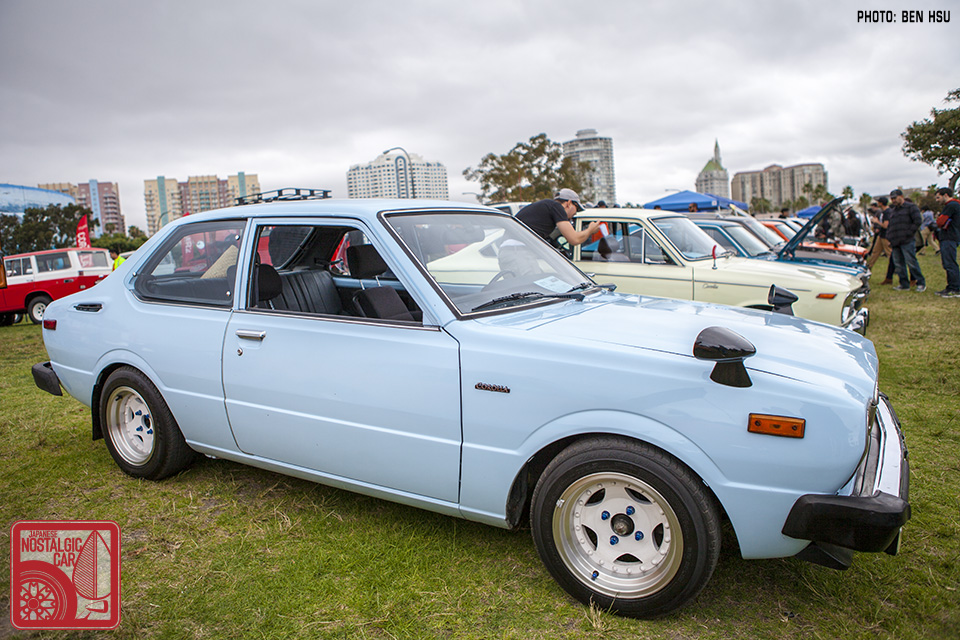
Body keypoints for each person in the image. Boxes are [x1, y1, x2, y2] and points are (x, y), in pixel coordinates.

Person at [516, 189, 599, 249]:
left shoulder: (548, 207)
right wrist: (590, 230)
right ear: (569, 203)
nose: (575, 213)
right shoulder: (557, 207)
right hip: (518, 248)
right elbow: (574, 239)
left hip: (515, 247)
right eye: (576, 208)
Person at [885, 189, 925, 292]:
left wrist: (908, 233)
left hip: (907, 240)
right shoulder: (893, 210)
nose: (893, 200)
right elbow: (891, 225)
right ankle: (904, 284)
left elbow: (917, 221)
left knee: (911, 262)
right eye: (892, 198)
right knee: (898, 264)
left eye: (895, 198)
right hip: (895, 241)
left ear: (901, 196)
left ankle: (920, 283)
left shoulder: (911, 207)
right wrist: (889, 237)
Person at [934, 186, 960, 297]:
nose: (937, 200)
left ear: (946, 195)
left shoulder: (951, 206)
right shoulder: (956, 205)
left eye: (938, 197)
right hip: (952, 236)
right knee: (949, 263)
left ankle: (954, 288)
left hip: (949, 237)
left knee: (949, 263)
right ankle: (953, 286)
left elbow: (940, 222)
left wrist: (939, 219)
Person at [866, 197, 891, 273]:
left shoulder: (887, 212)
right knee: (875, 251)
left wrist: (877, 222)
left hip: (886, 235)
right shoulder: (883, 212)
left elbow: (886, 225)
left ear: (881, 203)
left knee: (889, 252)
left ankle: (895, 267)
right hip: (881, 234)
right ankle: (868, 267)